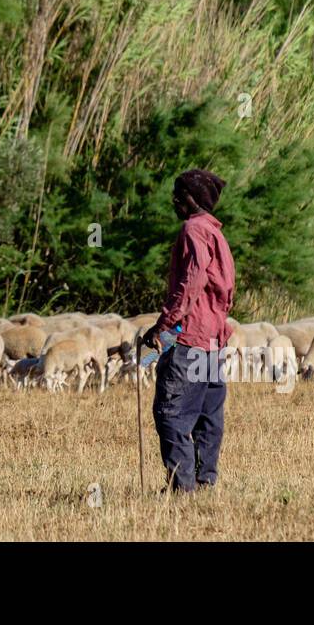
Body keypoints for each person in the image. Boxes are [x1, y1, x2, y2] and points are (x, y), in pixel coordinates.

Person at [140, 168, 236, 493]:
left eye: (178, 195)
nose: (174, 201)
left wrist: (164, 323)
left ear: (191, 199)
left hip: (189, 337)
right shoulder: (217, 235)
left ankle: (183, 489)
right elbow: (227, 291)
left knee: (172, 413)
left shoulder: (193, 230)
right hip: (213, 340)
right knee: (208, 415)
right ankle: (203, 481)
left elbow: (191, 280)